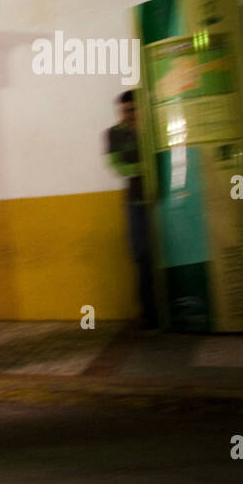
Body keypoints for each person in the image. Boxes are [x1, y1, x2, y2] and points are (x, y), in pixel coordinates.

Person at [105, 89, 157, 329]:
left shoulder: (154, 128)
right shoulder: (113, 134)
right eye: (125, 111)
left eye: (133, 110)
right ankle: (148, 314)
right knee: (141, 256)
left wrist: (139, 167)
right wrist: (148, 166)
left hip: (162, 200)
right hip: (135, 203)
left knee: (165, 254)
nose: (129, 115)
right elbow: (119, 168)